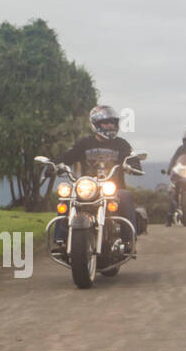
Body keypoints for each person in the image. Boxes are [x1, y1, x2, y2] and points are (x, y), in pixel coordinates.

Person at [52, 104, 143, 252]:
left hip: (113, 189)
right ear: (96, 124)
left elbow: (131, 157)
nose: (110, 126)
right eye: (106, 122)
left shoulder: (121, 144)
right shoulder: (84, 143)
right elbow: (68, 156)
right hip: (87, 189)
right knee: (67, 198)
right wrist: (54, 165)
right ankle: (61, 239)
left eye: (112, 122)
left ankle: (128, 241)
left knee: (125, 196)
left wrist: (134, 165)